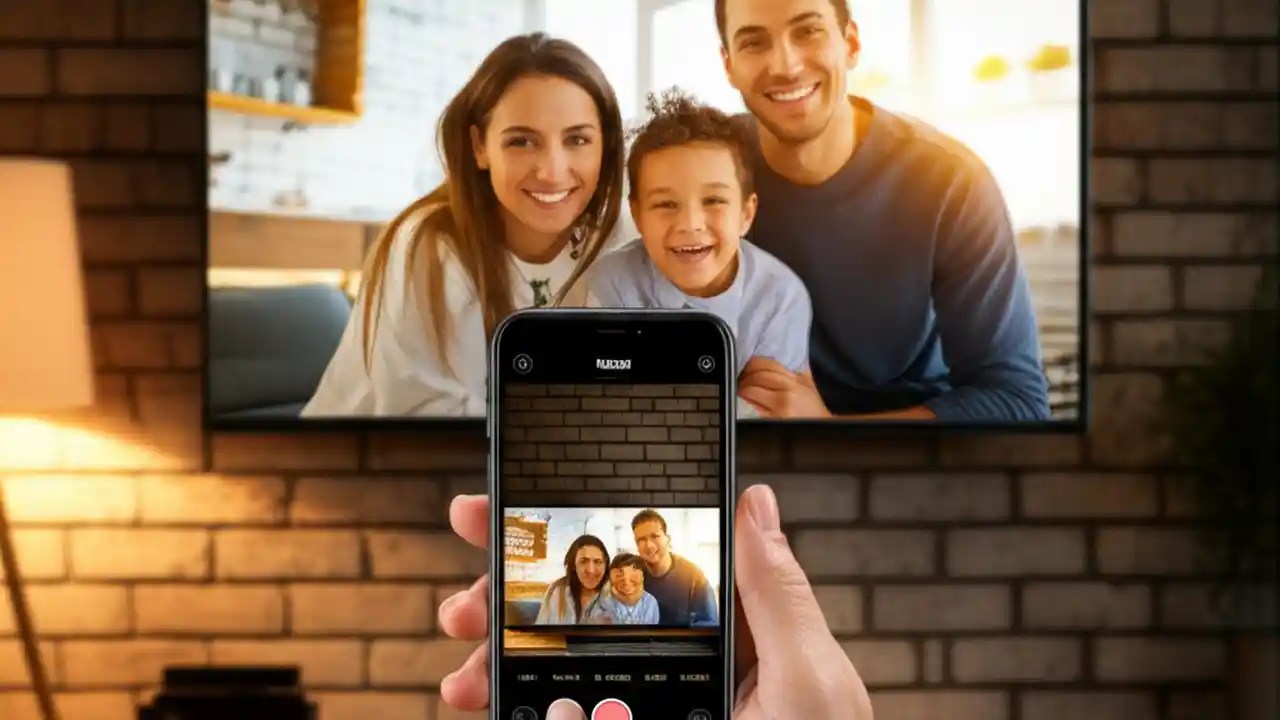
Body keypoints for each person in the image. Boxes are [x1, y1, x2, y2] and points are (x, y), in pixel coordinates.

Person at [716, 0, 1052, 422]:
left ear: (851, 44)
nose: (784, 65)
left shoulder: (951, 180)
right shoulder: (709, 169)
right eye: (753, 42)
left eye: (808, 31)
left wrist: (827, 430)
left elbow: (1018, 401)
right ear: (728, 66)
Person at [301, 33, 625, 417]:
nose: (552, 172)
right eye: (521, 141)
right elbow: (431, 424)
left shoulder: (622, 240)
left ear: (605, 145)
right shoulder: (429, 245)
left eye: (577, 139)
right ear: (479, 146)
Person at [436, 485, 873, 718]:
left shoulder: (695, 577)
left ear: (665, 537)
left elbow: (708, 630)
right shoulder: (596, 594)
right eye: (640, 540)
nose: (645, 548)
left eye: (653, 538)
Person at [586, 88, 812, 390]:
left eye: (714, 201)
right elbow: (610, 393)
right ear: (638, 216)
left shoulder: (780, 297)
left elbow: (767, 415)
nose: (690, 225)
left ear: (746, 214)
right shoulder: (613, 282)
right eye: (666, 204)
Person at [629, 509, 719, 627]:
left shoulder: (693, 576)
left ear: (668, 539)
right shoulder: (629, 575)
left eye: (655, 536)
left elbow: (709, 624)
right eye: (641, 540)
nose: (649, 545)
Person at [534, 534, 610, 625]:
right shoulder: (558, 591)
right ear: (574, 565)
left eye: (597, 562)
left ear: (606, 566)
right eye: (583, 561)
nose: (590, 570)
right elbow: (540, 632)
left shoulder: (614, 595)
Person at [587, 553, 661, 625]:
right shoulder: (602, 603)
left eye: (633, 575)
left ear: (643, 577)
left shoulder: (650, 602)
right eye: (620, 574)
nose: (626, 582)